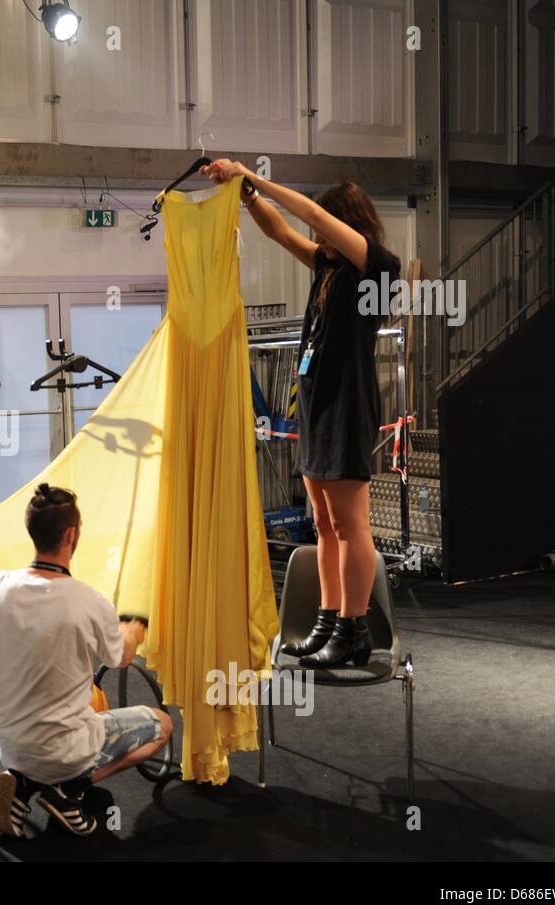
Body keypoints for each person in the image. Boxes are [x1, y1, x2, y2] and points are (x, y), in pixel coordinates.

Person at [203, 159, 401, 668]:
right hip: (315, 407)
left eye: (326, 224)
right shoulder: (328, 267)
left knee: (350, 522)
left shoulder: (374, 264)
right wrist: (247, 195)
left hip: (347, 405)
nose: (316, 232)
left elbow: (307, 211)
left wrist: (257, 175)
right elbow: (280, 230)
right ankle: (329, 618)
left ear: (346, 221)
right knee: (323, 522)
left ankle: (354, 627)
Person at [0, 484, 173, 837]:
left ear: (31, 533)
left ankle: (24, 783)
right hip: (69, 751)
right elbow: (122, 657)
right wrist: (134, 629)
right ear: (71, 534)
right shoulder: (90, 601)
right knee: (161, 726)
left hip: (11, 746)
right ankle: (71, 788)